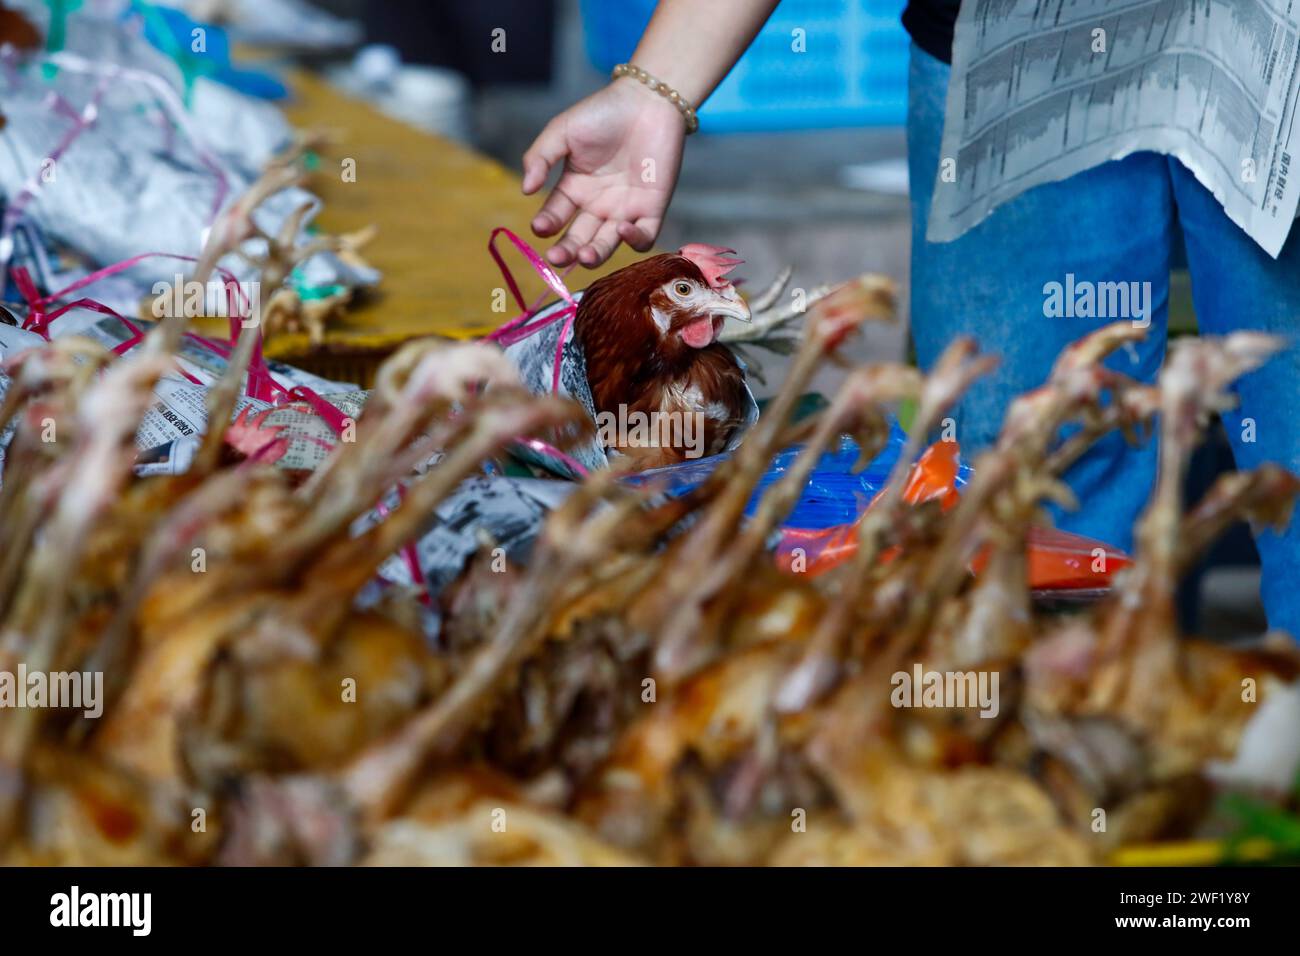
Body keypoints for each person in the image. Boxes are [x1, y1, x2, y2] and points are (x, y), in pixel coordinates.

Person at [521, 0, 1300, 637]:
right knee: (1015, 523)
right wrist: (660, 84)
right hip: (1014, 46)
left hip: (1276, 48)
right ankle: (1041, 800)